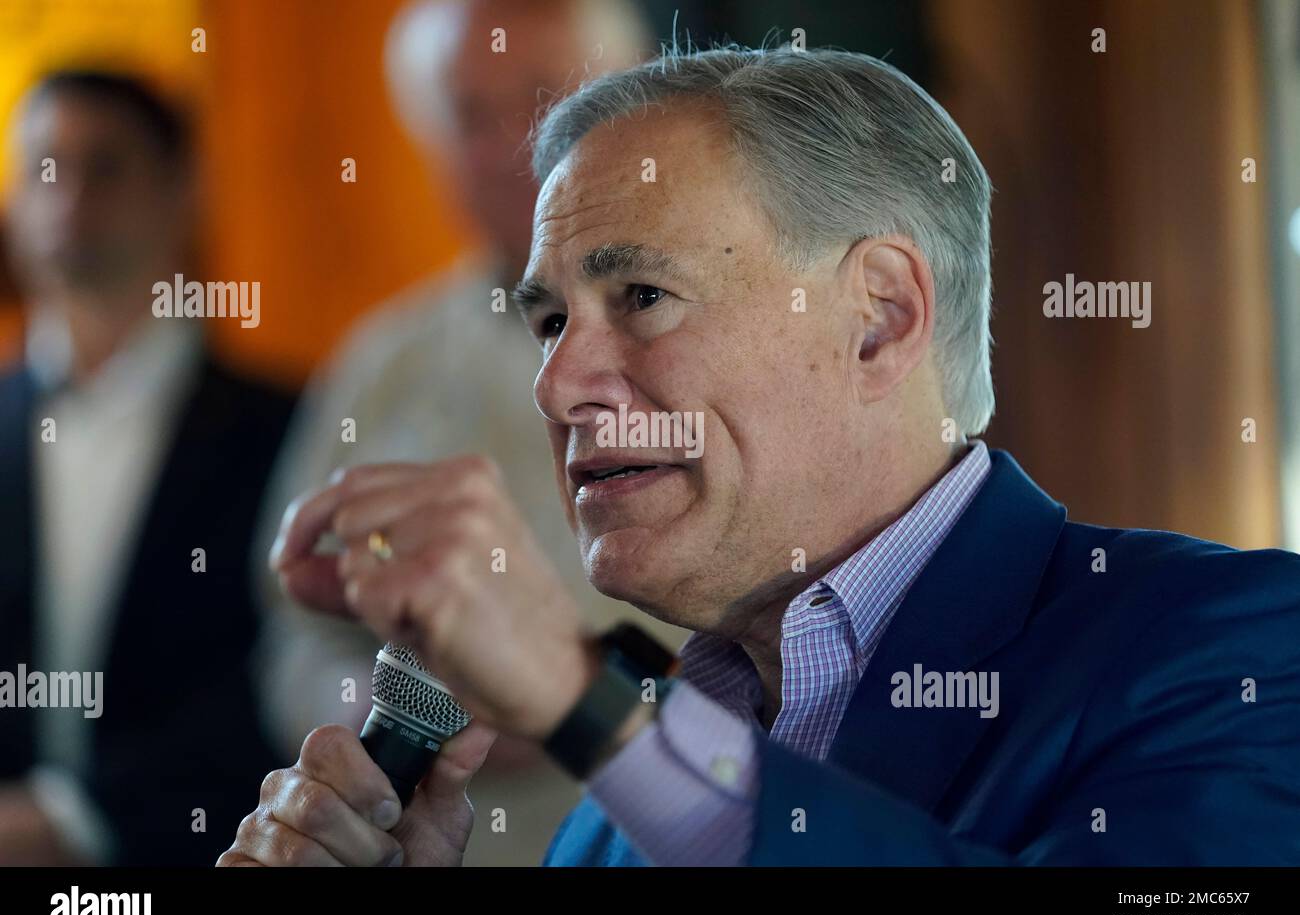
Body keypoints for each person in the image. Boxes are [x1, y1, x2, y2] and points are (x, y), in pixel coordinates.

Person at [219, 45, 1300, 868]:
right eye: (548, 321)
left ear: (878, 317)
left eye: (640, 295)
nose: (553, 384)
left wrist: (571, 688)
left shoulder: (1231, 650)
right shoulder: (612, 815)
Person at [250, 0, 677, 867]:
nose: (512, 151)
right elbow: (294, 635)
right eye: (469, 116)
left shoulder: (717, 337)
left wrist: (566, 699)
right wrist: (405, 715)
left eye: (544, 104)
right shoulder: (381, 362)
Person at [0, 71, 294, 865]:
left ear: (179, 190)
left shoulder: (289, 426)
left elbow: (289, 667)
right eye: (43, 169)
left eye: (104, 165)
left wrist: (69, 820)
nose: (69, 197)